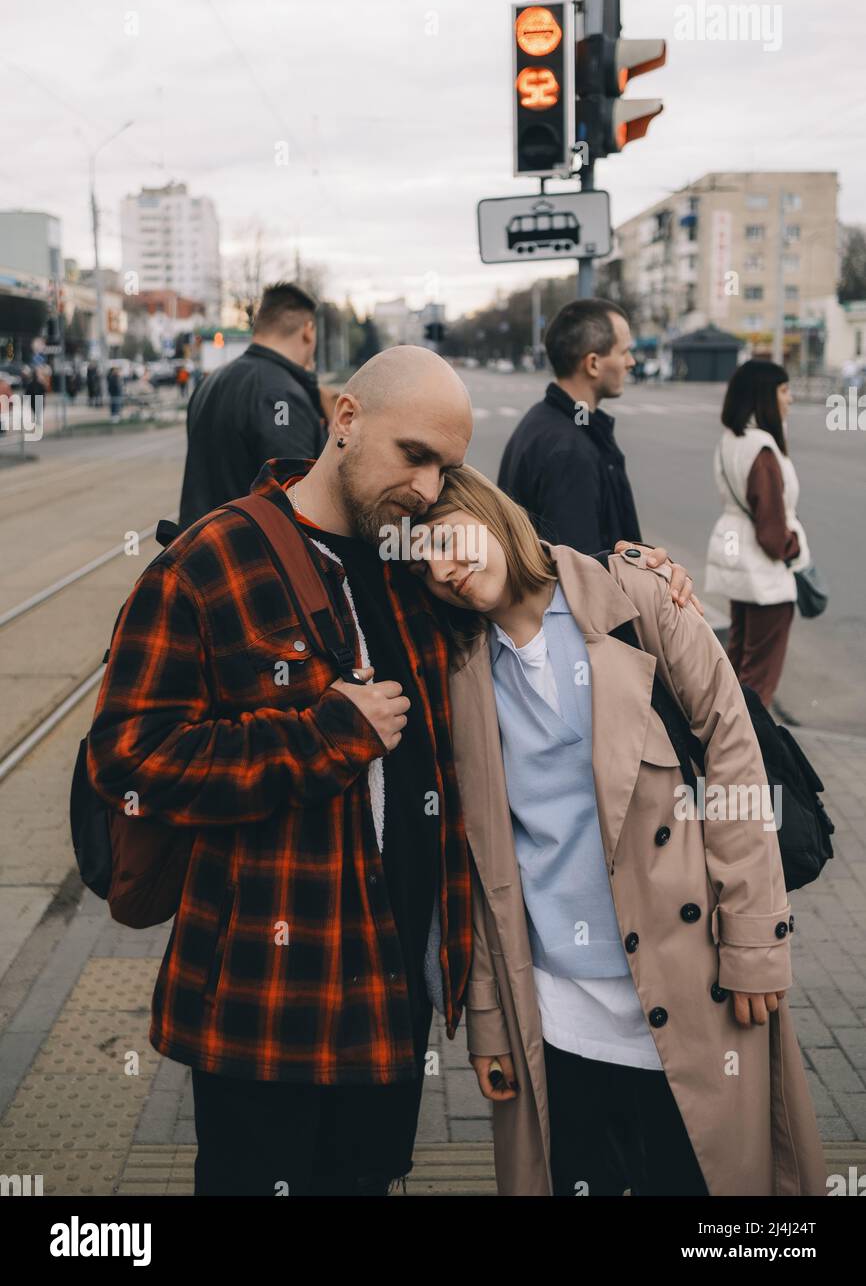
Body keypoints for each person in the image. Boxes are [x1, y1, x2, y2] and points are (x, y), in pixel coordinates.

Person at [87, 345, 699, 1197]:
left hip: (389, 1006)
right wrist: (323, 734)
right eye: (414, 454)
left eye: (447, 465)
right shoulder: (208, 562)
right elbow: (130, 762)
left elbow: (527, 588)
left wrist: (638, 579)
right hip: (263, 1007)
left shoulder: (415, 569)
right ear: (345, 419)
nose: (425, 485)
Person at [409, 464, 827, 1197]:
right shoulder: (459, 667)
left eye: (447, 538)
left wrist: (757, 940)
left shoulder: (632, 595)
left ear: (487, 510)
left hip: (692, 978)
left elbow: (733, 750)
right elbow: (475, 862)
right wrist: (487, 1018)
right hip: (553, 1009)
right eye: (426, 568)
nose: (446, 569)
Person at [497, 299, 644, 557]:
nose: (631, 362)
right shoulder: (569, 449)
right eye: (624, 352)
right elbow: (579, 573)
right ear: (593, 364)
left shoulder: (550, 421)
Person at [178, 282, 327, 531]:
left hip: (203, 548)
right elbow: (298, 503)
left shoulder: (211, 381)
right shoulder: (282, 394)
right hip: (248, 558)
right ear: (308, 331)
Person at [705, 360, 810, 708]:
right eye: (783, 390)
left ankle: (720, 743)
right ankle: (751, 750)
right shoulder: (762, 449)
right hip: (765, 575)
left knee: (737, 662)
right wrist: (793, 549)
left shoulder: (729, 441)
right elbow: (771, 531)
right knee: (759, 678)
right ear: (764, 396)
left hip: (738, 564)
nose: (790, 399)